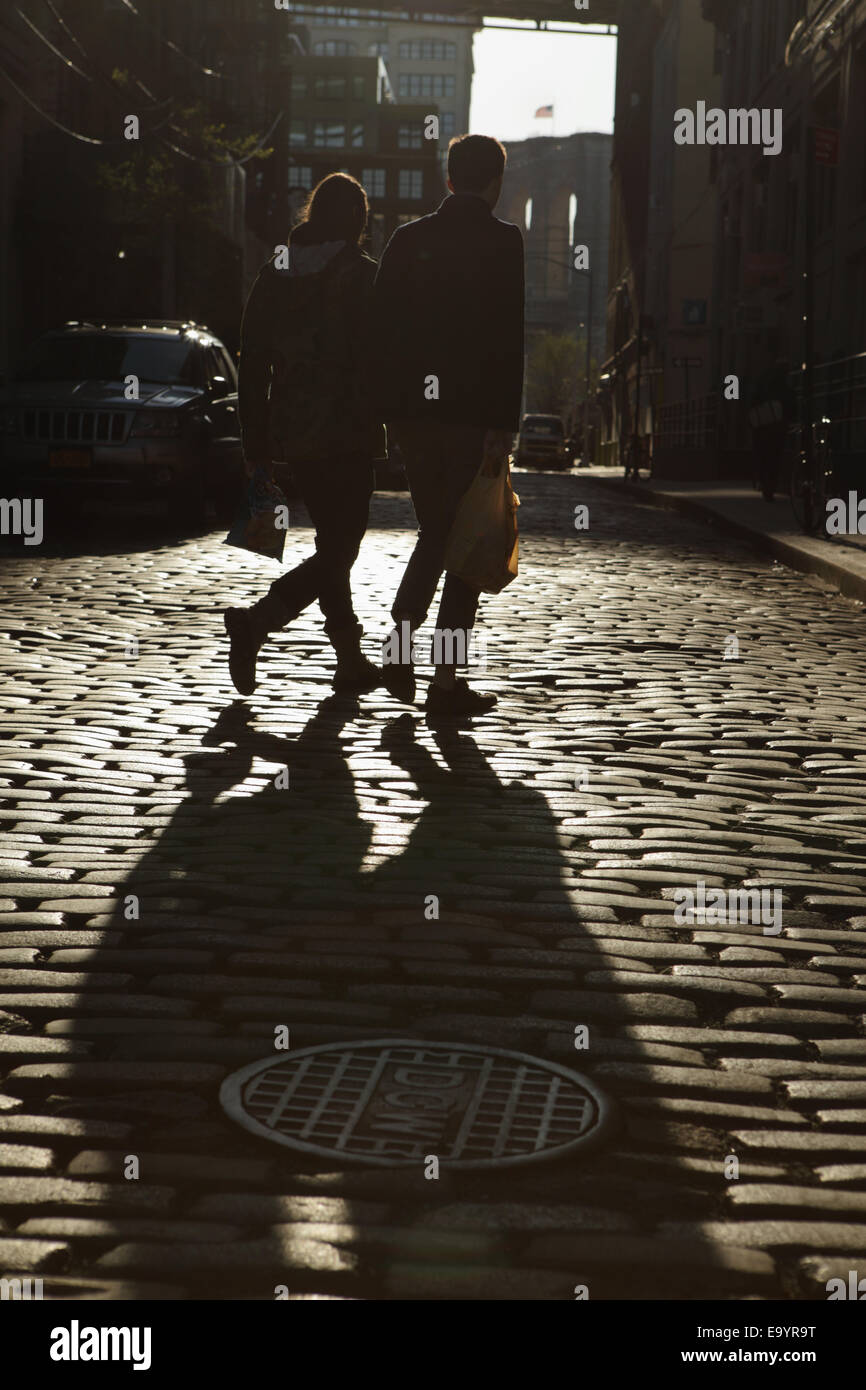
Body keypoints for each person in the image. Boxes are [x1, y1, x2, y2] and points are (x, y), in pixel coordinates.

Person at [371, 133, 525, 716]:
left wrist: (389, 415)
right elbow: (509, 340)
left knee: (438, 532)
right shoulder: (502, 241)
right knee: (464, 543)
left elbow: (379, 333)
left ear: (449, 179)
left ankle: (401, 646)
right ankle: (443, 681)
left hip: (415, 418)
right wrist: (501, 425)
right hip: (470, 418)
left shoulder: (407, 240)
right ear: (495, 182)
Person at [224, 172, 382, 696]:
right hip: (352, 430)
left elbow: (252, 361)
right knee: (341, 546)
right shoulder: (364, 278)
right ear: (358, 221)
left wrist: (255, 442)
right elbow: (390, 357)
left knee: (333, 544)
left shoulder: (277, 272)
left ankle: (350, 658)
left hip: (297, 432)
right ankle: (257, 622)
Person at [748, 357, 793, 502]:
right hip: (778, 428)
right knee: (775, 458)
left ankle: (762, 480)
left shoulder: (763, 383)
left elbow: (753, 402)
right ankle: (770, 486)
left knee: (762, 455)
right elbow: (791, 406)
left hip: (762, 427)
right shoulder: (785, 388)